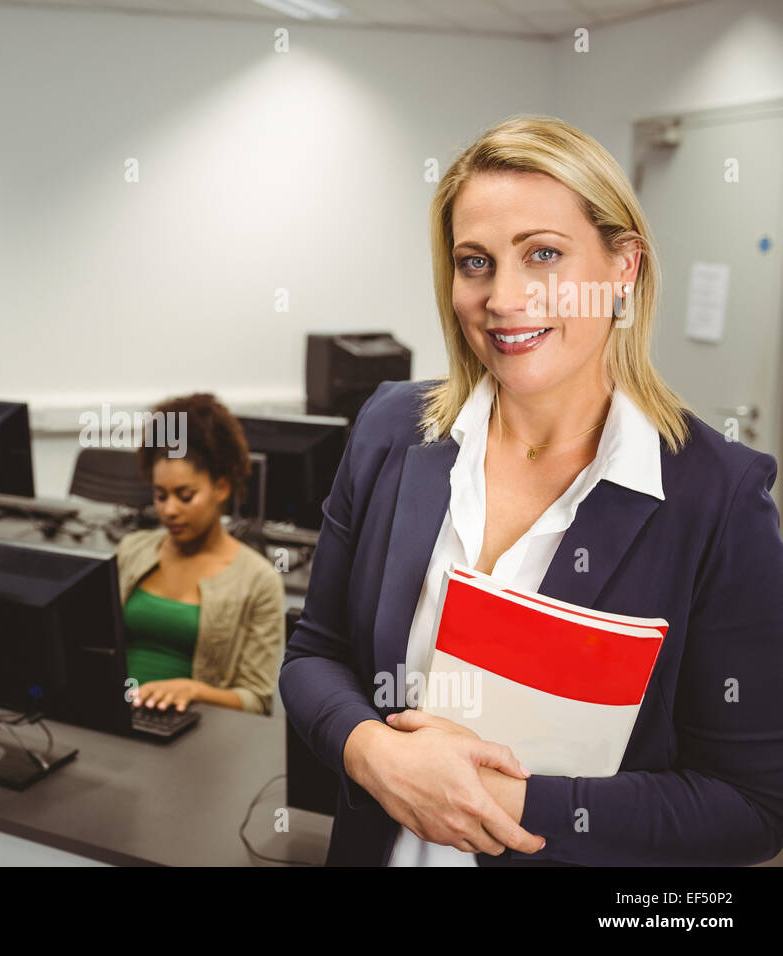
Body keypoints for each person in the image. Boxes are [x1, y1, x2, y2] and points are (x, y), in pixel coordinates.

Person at [281, 115, 783, 867]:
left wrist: (500, 800)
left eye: (542, 254)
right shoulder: (392, 431)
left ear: (624, 266)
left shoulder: (717, 498)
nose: (504, 298)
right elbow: (314, 655)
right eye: (474, 262)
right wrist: (371, 754)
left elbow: (752, 806)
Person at [116, 393, 285, 716]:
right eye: (160, 495)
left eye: (185, 495)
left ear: (221, 488)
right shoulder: (132, 551)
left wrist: (194, 690)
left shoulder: (258, 581)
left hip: (194, 734)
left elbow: (257, 700)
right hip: (118, 717)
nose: (169, 510)